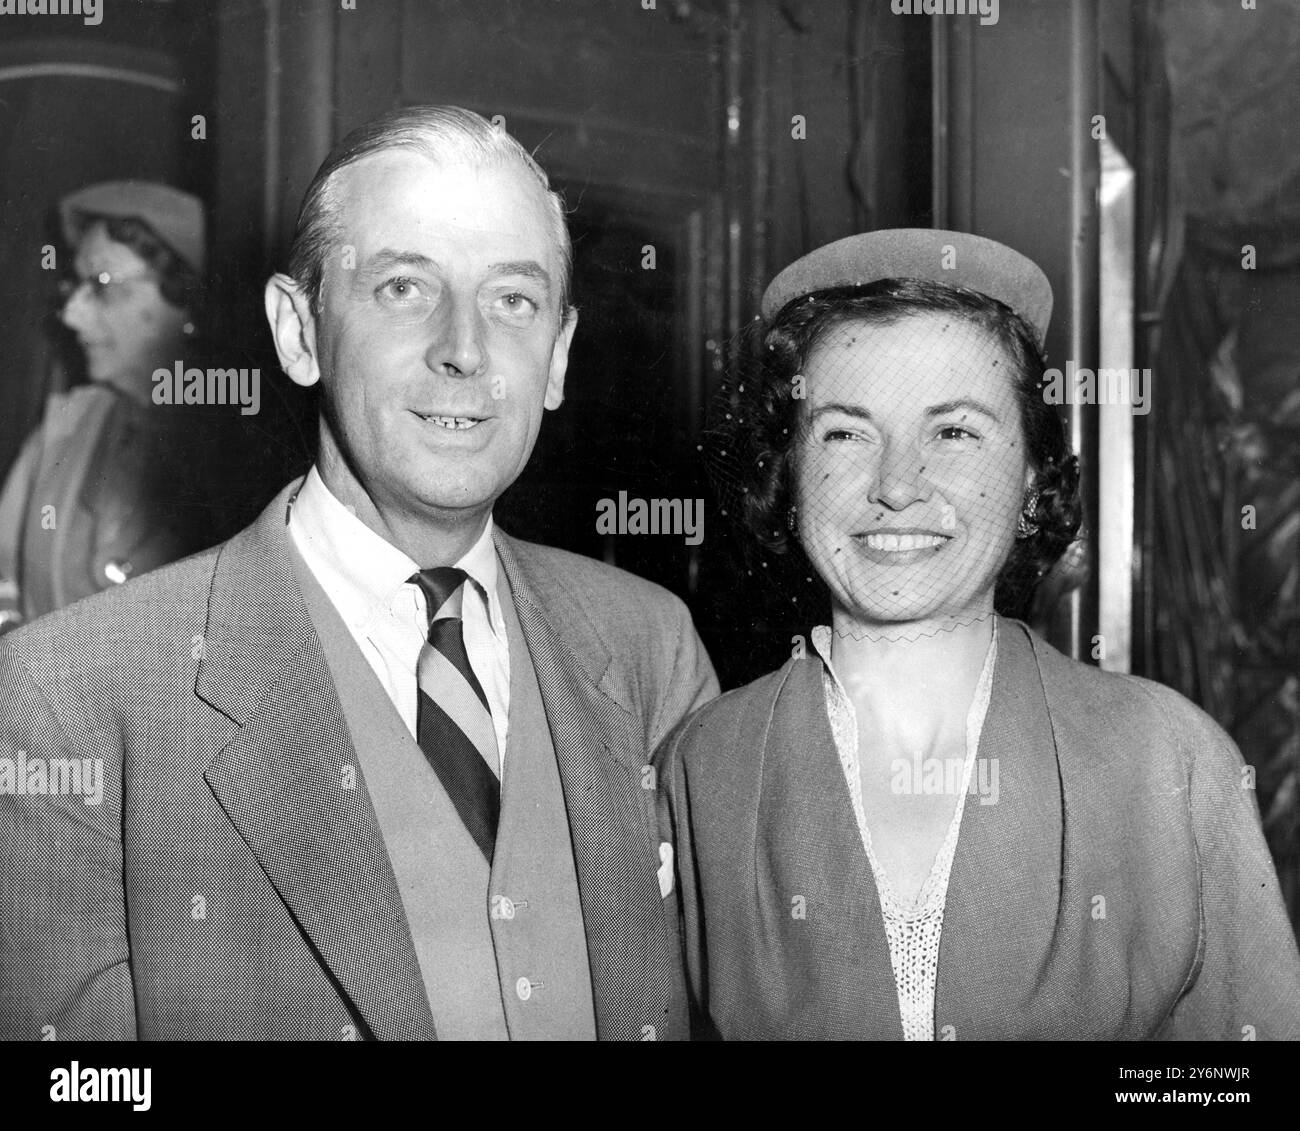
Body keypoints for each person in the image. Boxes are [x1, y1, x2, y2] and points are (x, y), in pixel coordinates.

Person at [0, 106, 717, 1041]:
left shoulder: (649, 647)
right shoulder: (72, 698)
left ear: (559, 356)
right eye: (404, 288)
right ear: (298, 331)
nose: (465, 347)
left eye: (513, 300)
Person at [657, 228, 1300, 1040]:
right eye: (846, 432)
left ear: (1032, 477)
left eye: (954, 431)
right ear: (788, 477)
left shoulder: (1168, 760)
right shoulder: (700, 767)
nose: (896, 485)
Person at [0, 181, 215, 632]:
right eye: (74, 286)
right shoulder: (63, 429)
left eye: (101, 285)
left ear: (184, 299)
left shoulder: (236, 454)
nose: (72, 313)